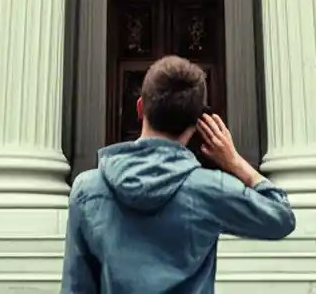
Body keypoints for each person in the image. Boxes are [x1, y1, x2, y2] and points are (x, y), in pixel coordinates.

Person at [61, 55, 296, 293]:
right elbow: (281, 217)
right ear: (197, 122)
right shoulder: (211, 188)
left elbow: (76, 286)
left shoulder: (87, 189)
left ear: (140, 107)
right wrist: (235, 162)